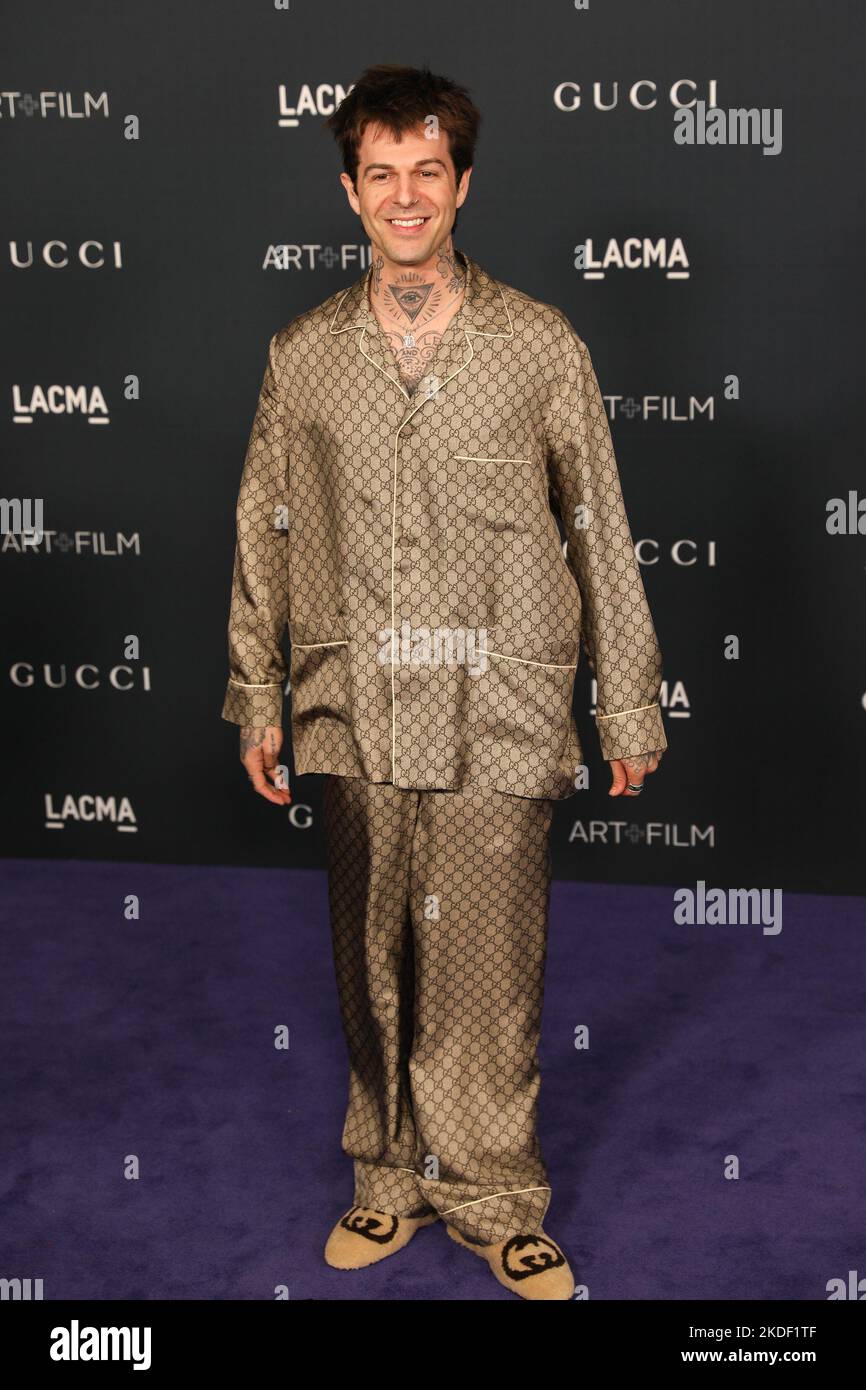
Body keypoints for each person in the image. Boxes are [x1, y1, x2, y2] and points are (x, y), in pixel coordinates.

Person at [222, 64, 666, 1301]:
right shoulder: (302, 356)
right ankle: (386, 1177)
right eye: (381, 174)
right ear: (350, 191)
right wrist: (256, 691)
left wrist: (625, 700)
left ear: (461, 185)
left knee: (483, 959)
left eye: (428, 172)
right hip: (355, 698)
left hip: (500, 700)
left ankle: (493, 1194)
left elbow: (598, 527)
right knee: (369, 960)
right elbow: (265, 528)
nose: (404, 195)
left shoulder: (537, 345)